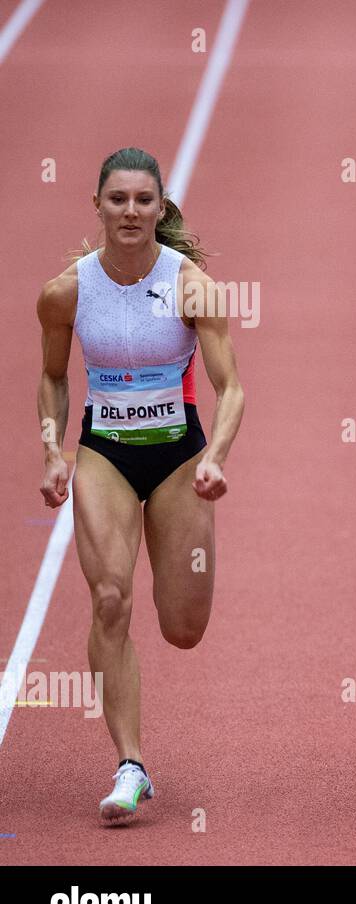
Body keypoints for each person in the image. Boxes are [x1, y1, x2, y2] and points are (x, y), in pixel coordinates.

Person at [37, 147, 245, 820]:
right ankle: (131, 763)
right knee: (108, 598)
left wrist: (215, 454)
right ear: (96, 206)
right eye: (117, 199)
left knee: (184, 628)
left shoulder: (192, 287)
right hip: (105, 454)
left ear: (161, 209)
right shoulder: (66, 291)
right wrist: (52, 451)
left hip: (179, 456)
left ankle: (135, 755)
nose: (129, 211)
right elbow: (50, 378)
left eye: (142, 200)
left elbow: (232, 388)